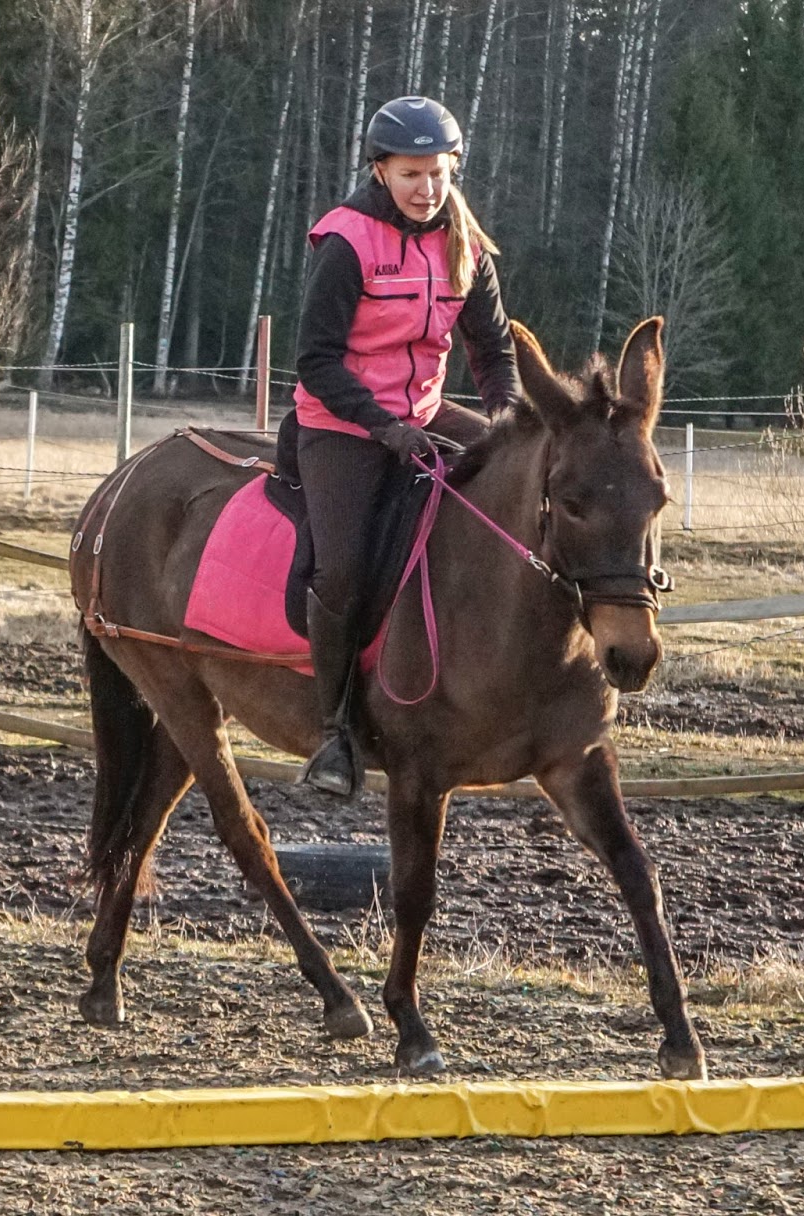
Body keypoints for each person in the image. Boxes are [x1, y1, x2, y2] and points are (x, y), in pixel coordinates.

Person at [291, 95, 519, 797]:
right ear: (380, 170)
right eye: (410, 175)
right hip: (342, 427)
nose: (426, 190)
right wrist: (379, 424)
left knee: (527, 488)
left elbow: (492, 349)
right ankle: (336, 732)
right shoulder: (348, 242)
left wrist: (509, 422)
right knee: (345, 572)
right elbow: (316, 360)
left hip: (423, 413)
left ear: (455, 169)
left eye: (438, 174)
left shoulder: (468, 247)